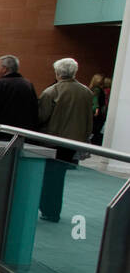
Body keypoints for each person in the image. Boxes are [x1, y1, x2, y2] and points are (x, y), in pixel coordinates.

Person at [37, 58, 94, 222]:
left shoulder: (51, 92)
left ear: (57, 73)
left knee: (50, 176)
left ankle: (49, 209)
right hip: (73, 141)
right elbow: (88, 120)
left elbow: (42, 116)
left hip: (53, 140)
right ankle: (52, 209)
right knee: (58, 175)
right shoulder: (86, 92)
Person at [0, 55, 39, 141]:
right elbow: (35, 111)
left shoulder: (0, 84)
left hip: (0, 136)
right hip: (22, 137)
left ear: (4, 69)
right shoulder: (28, 84)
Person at [89, 73, 109, 146]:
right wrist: (96, 108)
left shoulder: (92, 88)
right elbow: (95, 99)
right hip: (97, 113)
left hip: (94, 112)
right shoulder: (97, 89)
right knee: (96, 128)